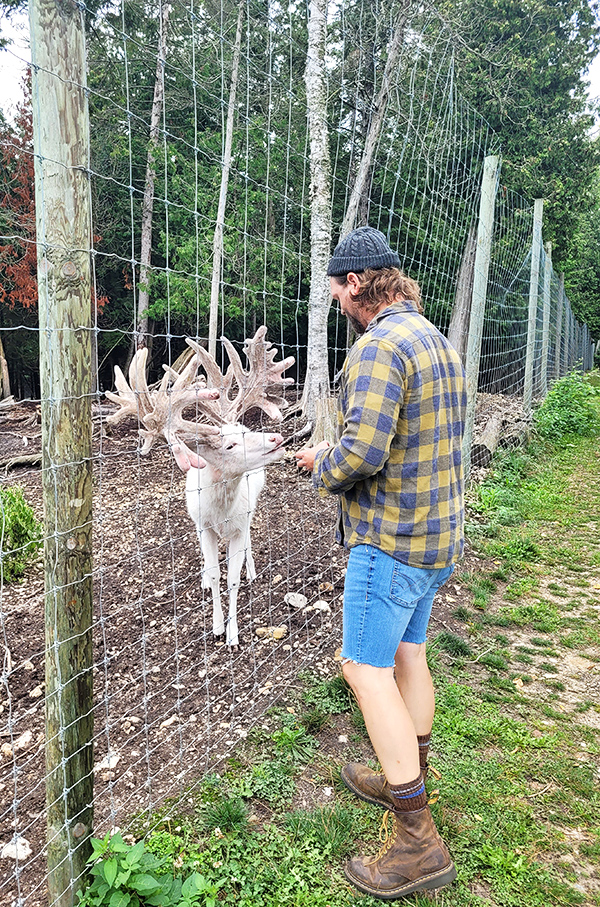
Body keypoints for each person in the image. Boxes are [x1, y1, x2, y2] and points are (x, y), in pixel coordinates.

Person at [295, 226, 466, 901]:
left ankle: (417, 842)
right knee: (409, 657)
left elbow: (362, 454)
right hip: (435, 537)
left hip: (389, 541)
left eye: (337, 286)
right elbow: (411, 435)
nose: (335, 298)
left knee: (363, 668)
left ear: (358, 283)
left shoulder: (376, 348)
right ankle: (409, 775)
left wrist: (320, 464)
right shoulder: (434, 339)